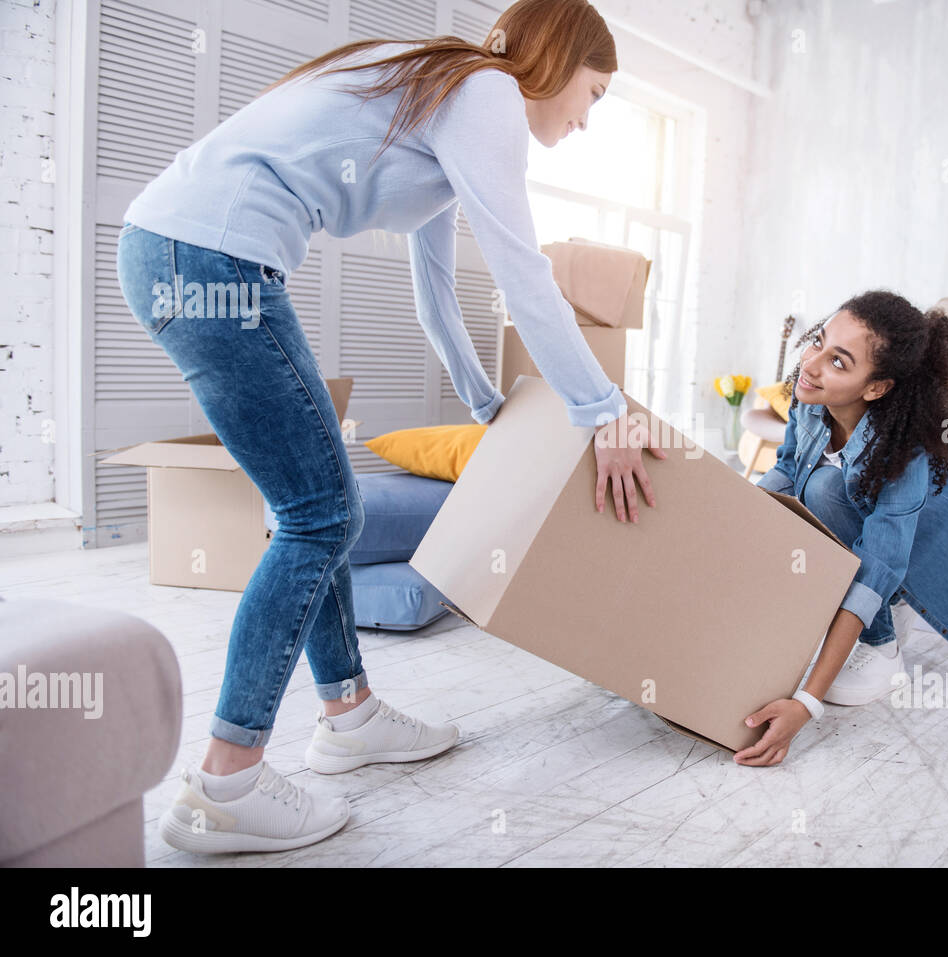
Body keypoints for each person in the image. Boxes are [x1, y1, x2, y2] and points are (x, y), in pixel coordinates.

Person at [116, 0, 663, 854]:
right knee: (322, 515)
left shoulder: (443, 94)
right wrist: (605, 412)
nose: (585, 120)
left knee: (319, 504)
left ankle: (349, 715)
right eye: (592, 94)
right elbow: (523, 272)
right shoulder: (485, 95)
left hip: (181, 251)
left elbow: (436, 294)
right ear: (557, 62)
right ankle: (225, 783)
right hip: (211, 256)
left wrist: (490, 407)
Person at [738, 290, 948, 767]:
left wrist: (807, 704)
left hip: (946, 537)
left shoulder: (905, 454)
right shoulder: (810, 399)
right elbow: (784, 469)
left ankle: (881, 645)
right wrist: (732, 513)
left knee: (824, 492)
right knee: (810, 488)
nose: (812, 364)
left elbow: (876, 565)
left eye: (839, 362)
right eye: (818, 342)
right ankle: (886, 608)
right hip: (888, 530)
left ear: (877, 388)